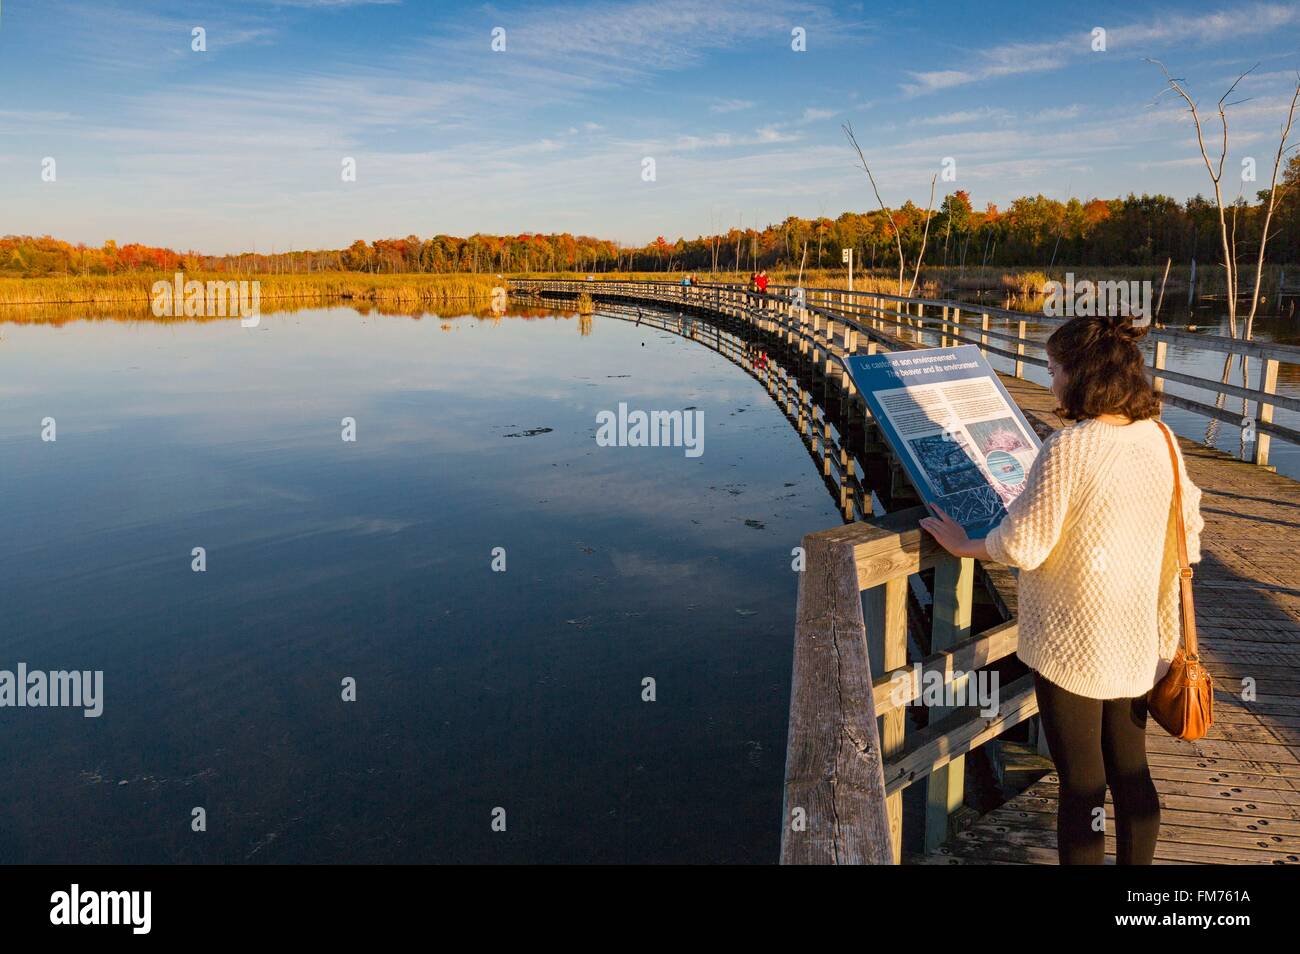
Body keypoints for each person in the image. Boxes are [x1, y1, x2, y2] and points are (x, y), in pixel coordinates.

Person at [919, 314, 1204, 865]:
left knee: (1081, 784)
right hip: (1141, 637)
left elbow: (1023, 544)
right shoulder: (1162, 438)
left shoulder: (1070, 447)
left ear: (1081, 375)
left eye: (1052, 371)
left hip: (1072, 642)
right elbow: (1188, 537)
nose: (1049, 383)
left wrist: (963, 544)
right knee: (1131, 771)